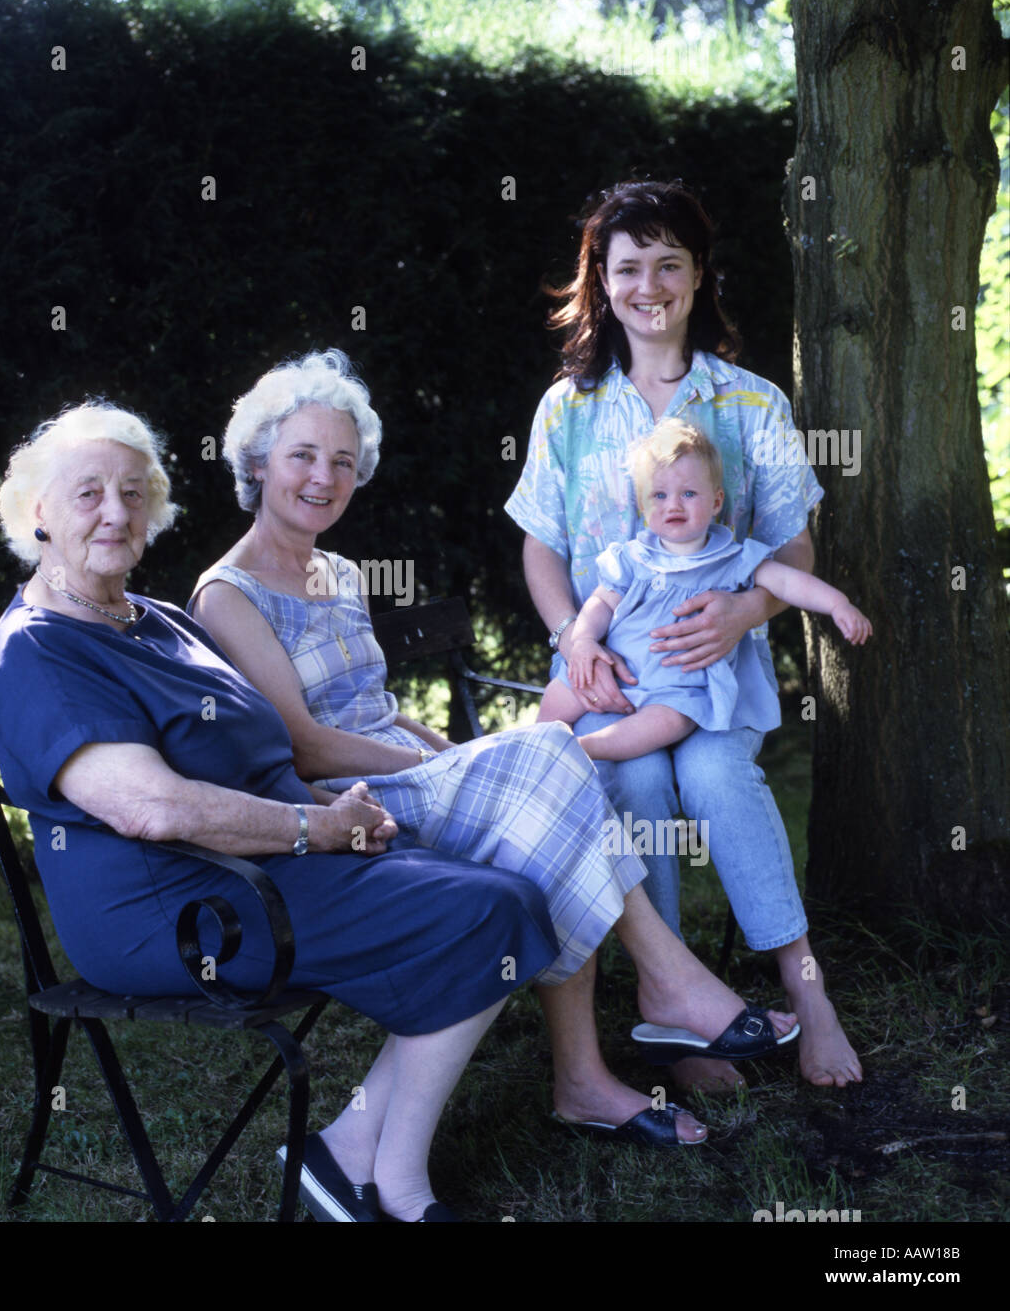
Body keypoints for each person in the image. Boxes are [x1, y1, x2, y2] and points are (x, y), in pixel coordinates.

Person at [190, 349, 798, 1150]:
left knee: (551, 778)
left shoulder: (337, 571)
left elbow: (381, 709)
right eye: (302, 455)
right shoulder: (226, 593)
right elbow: (302, 744)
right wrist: (441, 768)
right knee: (553, 769)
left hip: (401, 775)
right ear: (259, 461)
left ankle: (595, 1067)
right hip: (347, 807)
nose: (323, 476)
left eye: (342, 460)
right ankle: (663, 991)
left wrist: (453, 750)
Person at [0, 399, 563, 1223]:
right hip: (178, 905)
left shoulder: (161, 621)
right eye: (88, 494)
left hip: (266, 859)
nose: (116, 511)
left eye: (134, 492)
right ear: (37, 511)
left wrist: (331, 804)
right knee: (488, 910)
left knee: (499, 889)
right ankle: (389, 1184)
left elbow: (258, 756)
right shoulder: (38, 646)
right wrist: (317, 828)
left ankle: (362, 1165)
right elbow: (149, 805)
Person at [505, 178, 863, 1089]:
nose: (650, 284)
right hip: (607, 673)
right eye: (629, 266)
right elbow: (542, 552)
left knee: (710, 771)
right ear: (603, 281)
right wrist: (572, 643)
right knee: (632, 773)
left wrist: (748, 609)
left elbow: (793, 546)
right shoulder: (567, 409)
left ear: (699, 276)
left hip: (714, 675)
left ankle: (807, 989)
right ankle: (680, 1014)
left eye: (670, 263)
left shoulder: (750, 405)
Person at [542, 418, 872, 763]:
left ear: (716, 502)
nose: (673, 505)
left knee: (671, 721)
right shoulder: (632, 557)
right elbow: (600, 603)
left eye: (688, 493)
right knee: (563, 689)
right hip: (614, 669)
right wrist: (583, 641)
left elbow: (789, 581)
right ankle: (530, 746)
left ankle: (584, 748)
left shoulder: (732, 559)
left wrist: (838, 604)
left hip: (677, 689)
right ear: (643, 507)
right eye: (659, 495)